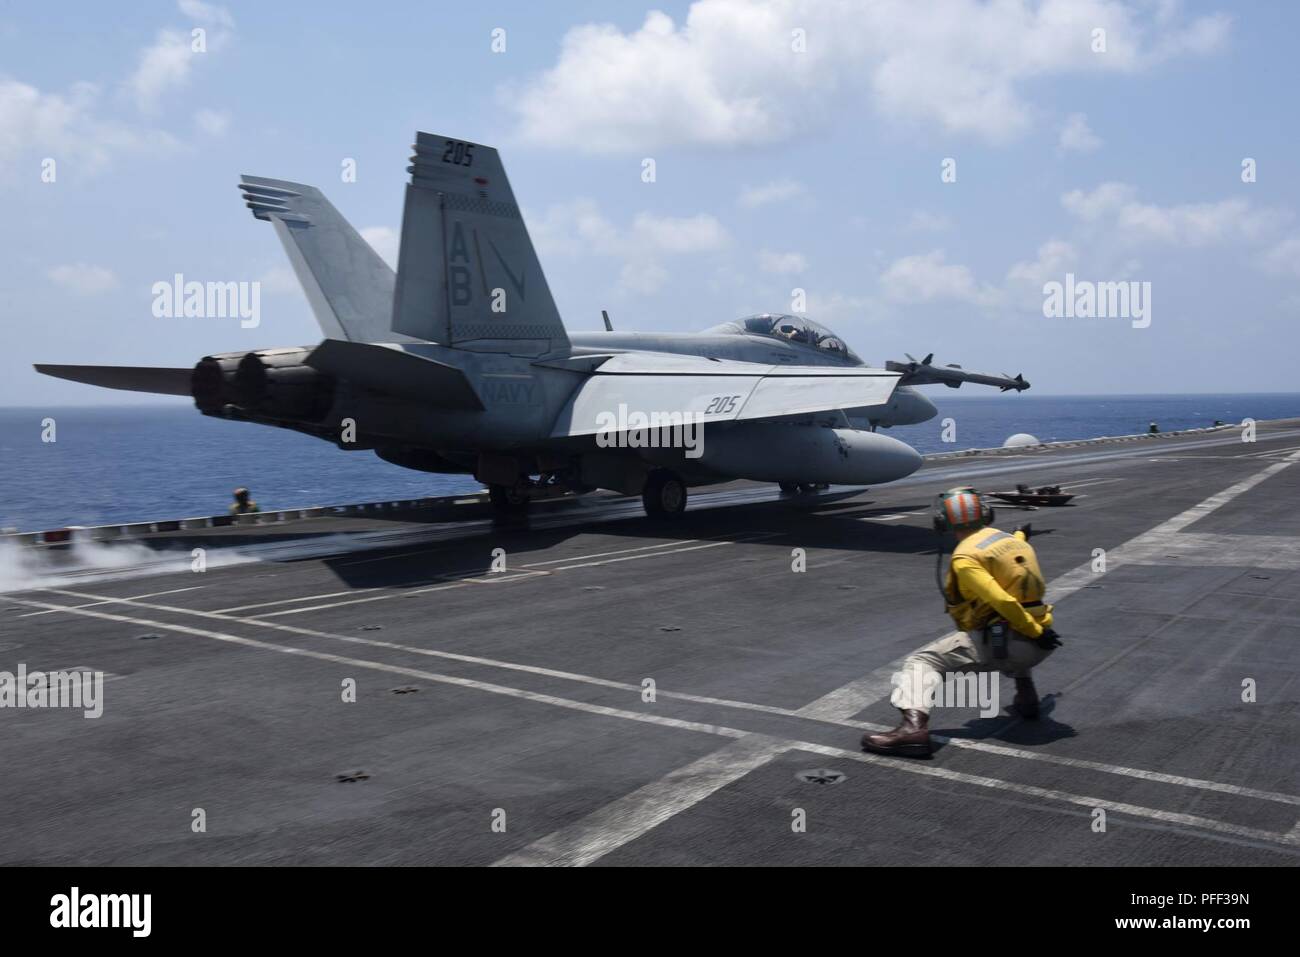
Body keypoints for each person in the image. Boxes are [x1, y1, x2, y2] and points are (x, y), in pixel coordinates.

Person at [861, 487, 1062, 757]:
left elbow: (1000, 599)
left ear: (943, 522)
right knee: (1009, 628)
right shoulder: (1017, 542)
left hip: (1015, 641)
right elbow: (1008, 557)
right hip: (1040, 645)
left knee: (922, 662)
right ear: (987, 515)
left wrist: (1034, 631)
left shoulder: (965, 556)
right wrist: (1020, 533)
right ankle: (1028, 699)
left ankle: (913, 729)